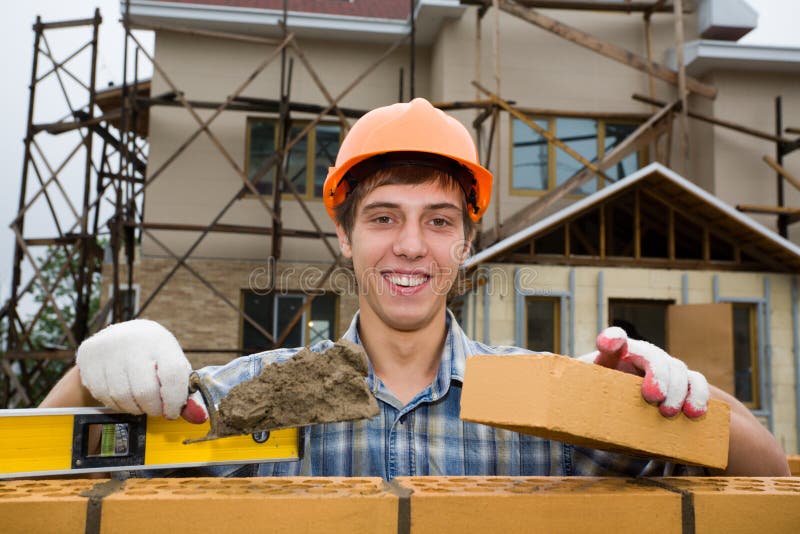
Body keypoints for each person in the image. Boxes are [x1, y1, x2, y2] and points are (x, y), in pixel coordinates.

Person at [42, 98, 789, 478]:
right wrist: (90, 376)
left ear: (466, 243)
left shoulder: (544, 404)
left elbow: (771, 475)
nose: (409, 245)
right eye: (383, 218)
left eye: (438, 220)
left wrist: (684, 397)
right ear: (344, 236)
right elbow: (32, 480)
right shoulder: (262, 397)